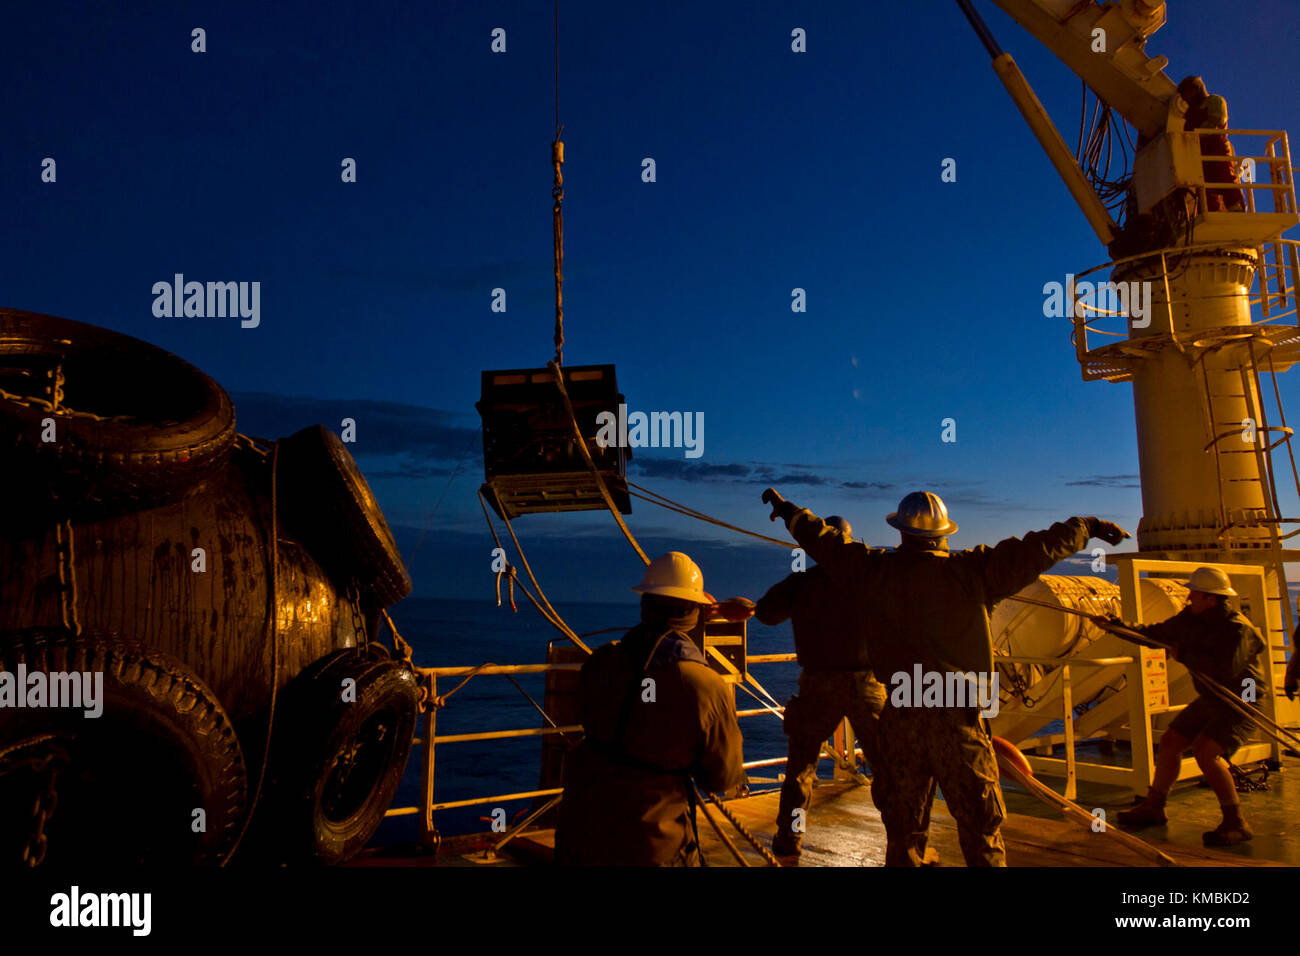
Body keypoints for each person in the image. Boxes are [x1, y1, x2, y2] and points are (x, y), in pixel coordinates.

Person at [761, 487, 1129, 866]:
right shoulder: (973, 572)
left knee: (902, 827)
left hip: (902, 711)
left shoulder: (873, 571)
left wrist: (789, 510)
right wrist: (1086, 527)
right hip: (957, 716)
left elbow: (825, 544)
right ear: (945, 533)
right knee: (980, 826)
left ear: (900, 532)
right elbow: (1038, 548)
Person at [554, 551, 745, 866]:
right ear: (694, 612)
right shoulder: (706, 685)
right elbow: (721, 778)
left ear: (643, 603)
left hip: (580, 830)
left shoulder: (601, 661)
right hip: (649, 844)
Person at [755, 516, 891, 860]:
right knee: (890, 769)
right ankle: (904, 845)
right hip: (866, 682)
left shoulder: (802, 583)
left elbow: (766, 614)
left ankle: (789, 841)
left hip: (818, 683)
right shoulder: (871, 579)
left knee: (801, 769)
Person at [1108, 567, 1268, 845]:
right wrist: (1116, 627)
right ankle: (1154, 807)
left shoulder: (1238, 629)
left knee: (1207, 752)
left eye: (1194, 594)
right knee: (1171, 741)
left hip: (1243, 698)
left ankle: (1236, 822)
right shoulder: (1192, 618)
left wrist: (1183, 654)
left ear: (1211, 598)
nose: (1189, 597)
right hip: (1212, 697)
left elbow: (1224, 669)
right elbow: (1156, 635)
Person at [1178, 75, 1246, 213]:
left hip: (1216, 146)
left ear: (1196, 88)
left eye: (1187, 92)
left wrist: (1197, 133)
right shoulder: (1190, 113)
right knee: (1205, 184)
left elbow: (1217, 121)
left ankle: (1236, 207)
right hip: (1199, 151)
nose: (1186, 97)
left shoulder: (1214, 101)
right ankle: (1211, 209)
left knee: (1224, 175)